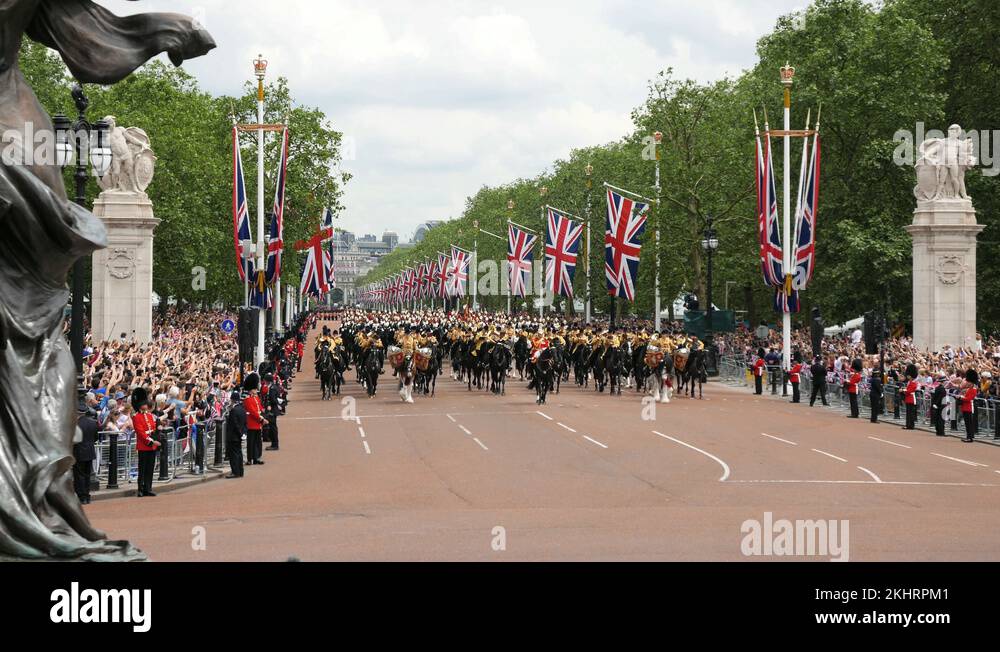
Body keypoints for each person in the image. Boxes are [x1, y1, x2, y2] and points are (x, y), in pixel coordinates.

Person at [132, 388, 162, 498]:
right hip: (143, 446)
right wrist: (152, 442)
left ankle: (148, 488)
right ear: (140, 405)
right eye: (144, 403)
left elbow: (153, 428)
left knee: (150, 468)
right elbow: (140, 433)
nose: (146, 405)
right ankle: (140, 489)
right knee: (142, 469)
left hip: (152, 446)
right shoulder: (136, 417)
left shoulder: (149, 416)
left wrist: (158, 433)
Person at [74, 402, 99, 504]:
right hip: (90, 451)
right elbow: (95, 437)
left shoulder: (76, 424)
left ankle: (81, 496)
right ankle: (87, 495)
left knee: (79, 475)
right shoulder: (92, 423)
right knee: (87, 475)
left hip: (79, 451)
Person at [243, 373, 267, 465]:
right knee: (251, 443)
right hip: (252, 423)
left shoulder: (256, 398)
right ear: (250, 390)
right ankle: (250, 459)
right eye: (254, 389)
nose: (256, 390)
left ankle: (256, 457)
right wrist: (261, 419)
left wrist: (263, 416)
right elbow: (253, 412)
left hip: (258, 424)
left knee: (258, 442)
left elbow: (260, 408)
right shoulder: (247, 400)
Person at [224, 390, 246, 478]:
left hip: (233, 436)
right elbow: (244, 423)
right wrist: (242, 433)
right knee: (239, 454)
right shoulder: (242, 409)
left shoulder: (233, 410)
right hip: (239, 435)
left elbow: (234, 424)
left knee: (234, 455)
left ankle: (235, 472)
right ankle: (240, 471)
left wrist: (239, 433)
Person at [960, 369, 979, 443]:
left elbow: (969, 399)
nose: (968, 383)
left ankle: (970, 438)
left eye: (969, 382)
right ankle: (968, 436)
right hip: (965, 407)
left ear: (972, 383)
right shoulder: (969, 389)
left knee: (969, 424)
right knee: (967, 424)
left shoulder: (973, 390)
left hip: (969, 408)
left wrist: (962, 397)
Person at [902, 364, 919, 430]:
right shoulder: (910, 382)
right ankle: (908, 425)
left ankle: (910, 425)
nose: (907, 376)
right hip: (909, 398)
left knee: (910, 413)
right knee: (908, 413)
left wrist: (903, 390)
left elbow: (909, 391)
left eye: (908, 375)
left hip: (911, 399)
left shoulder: (913, 383)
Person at [931, 372, 948, 437]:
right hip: (941, 405)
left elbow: (936, 397)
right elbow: (941, 398)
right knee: (941, 419)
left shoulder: (937, 388)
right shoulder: (942, 389)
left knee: (938, 418)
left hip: (937, 405)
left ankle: (938, 431)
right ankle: (941, 432)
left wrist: (935, 404)